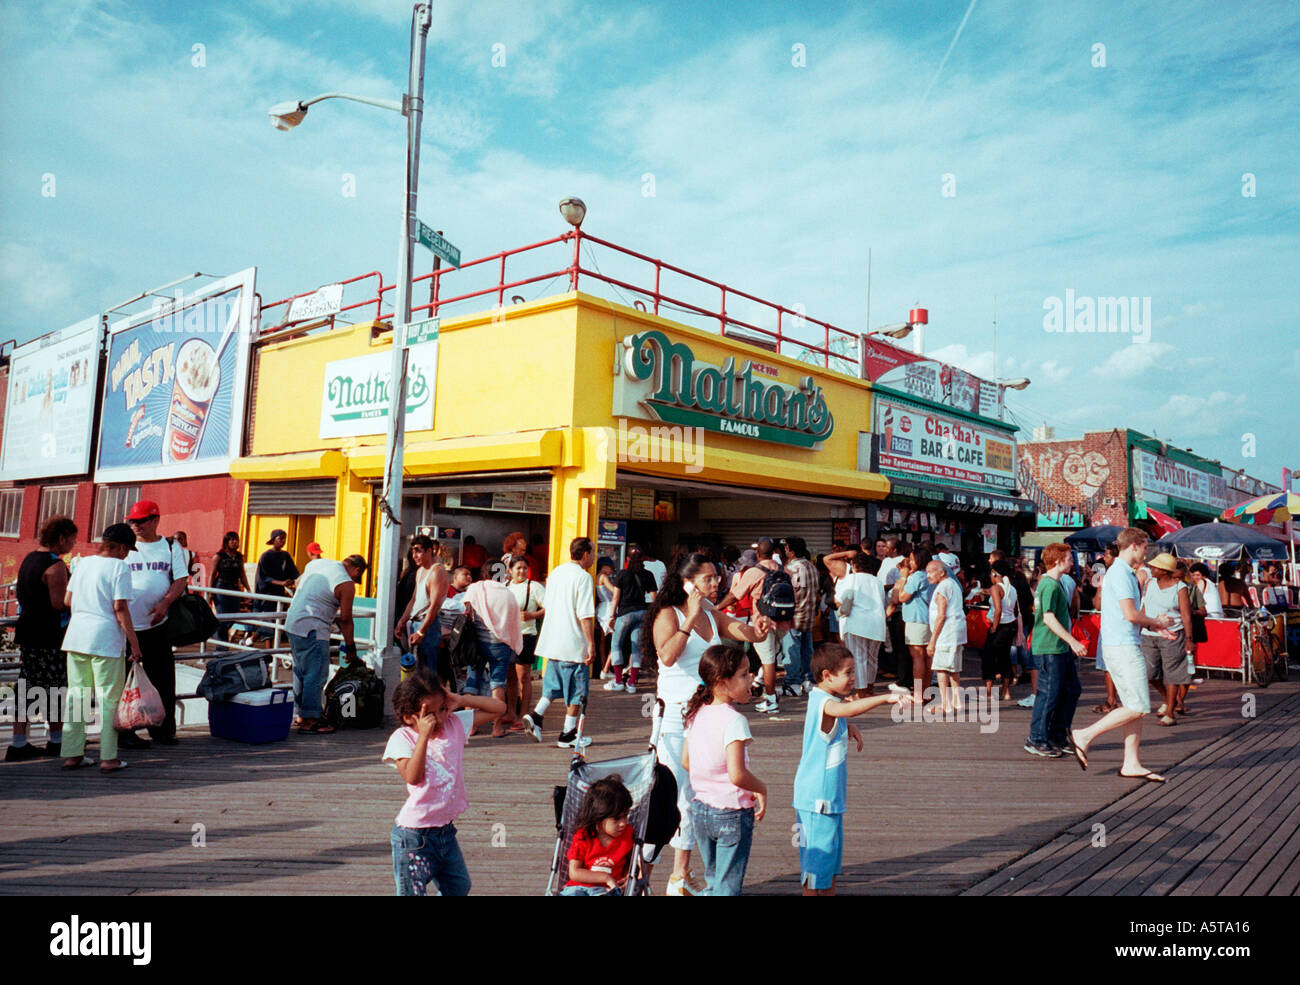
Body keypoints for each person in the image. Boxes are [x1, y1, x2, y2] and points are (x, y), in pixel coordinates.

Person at [642, 553, 777, 896]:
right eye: (708, 579)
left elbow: (737, 629)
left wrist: (757, 631)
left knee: (699, 793)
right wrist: (690, 614)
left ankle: (681, 873)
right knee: (673, 796)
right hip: (673, 716)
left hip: (705, 715)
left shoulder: (711, 613)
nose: (716, 584)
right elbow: (668, 655)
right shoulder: (668, 613)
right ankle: (652, 874)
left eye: (717, 578)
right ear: (688, 582)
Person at [794, 643, 913, 895]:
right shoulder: (825, 703)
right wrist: (886, 697)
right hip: (818, 801)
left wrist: (846, 727)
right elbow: (844, 709)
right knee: (815, 870)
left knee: (829, 867)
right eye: (847, 673)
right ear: (827, 676)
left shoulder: (823, 699)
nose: (853, 678)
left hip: (828, 800)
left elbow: (839, 714)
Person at [383, 670, 505, 895]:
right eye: (428, 714)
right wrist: (423, 736)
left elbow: (499, 708)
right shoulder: (402, 738)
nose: (439, 719)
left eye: (442, 709)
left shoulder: (454, 723)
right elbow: (412, 776)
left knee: (458, 887)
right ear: (409, 717)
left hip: (444, 832)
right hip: (413, 837)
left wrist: (461, 700)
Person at [1069, 528, 1176, 782]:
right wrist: (1156, 622)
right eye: (1145, 547)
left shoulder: (1119, 572)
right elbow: (1130, 614)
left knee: (1133, 705)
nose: (1146, 552)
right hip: (1123, 647)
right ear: (1135, 546)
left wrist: (1153, 627)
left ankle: (1131, 762)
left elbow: (1126, 616)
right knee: (1139, 707)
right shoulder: (1121, 573)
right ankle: (1083, 735)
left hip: (1121, 643)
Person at [682, 645, 767, 896]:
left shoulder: (696, 712)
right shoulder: (734, 720)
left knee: (715, 880)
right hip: (731, 814)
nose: (750, 678)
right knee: (727, 887)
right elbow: (737, 775)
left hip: (701, 809)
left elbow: (686, 761)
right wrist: (761, 788)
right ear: (722, 682)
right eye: (743, 674)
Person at [60, 523, 143, 773]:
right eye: (127, 550)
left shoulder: (82, 563)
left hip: (76, 638)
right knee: (109, 699)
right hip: (106, 640)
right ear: (119, 547)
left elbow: (67, 600)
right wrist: (134, 643)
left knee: (77, 696)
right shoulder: (120, 567)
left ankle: (73, 754)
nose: (127, 555)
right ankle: (109, 757)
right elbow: (120, 608)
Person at [121, 499, 190, 748]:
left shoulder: (171, 546)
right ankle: (125, 731)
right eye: (132, 521)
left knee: (162, 680)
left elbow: (181, 579)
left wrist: (164, 604)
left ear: (155, 520)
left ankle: (162, 729)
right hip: (126, 628)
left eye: (140, 521)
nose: (136, 526)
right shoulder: (124, 547)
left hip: (158, 626)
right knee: (124, 683)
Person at [7, 516, 76, 761]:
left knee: (26, 686)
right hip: (50, 635)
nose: (73, 544)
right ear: (61, 538)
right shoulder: (54, 565)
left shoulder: (29, 559)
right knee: (56, 687)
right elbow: (59, 603)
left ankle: (18, 742)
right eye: (71, 539)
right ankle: (56, 740)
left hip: (29, 632)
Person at [523, 537, 597, 749]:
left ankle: (536, 715)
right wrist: (590, 643)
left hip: (552, 642)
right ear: (585, 554)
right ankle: (568, 734)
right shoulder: (583, 578)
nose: (593, 557)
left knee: (552, 687)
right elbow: (584, 613)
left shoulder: (555, 573)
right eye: (592, 553)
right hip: (573, 644)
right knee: (577, 692)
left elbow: (549, 604)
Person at [284, 553, 368, 734]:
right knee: (316, 673)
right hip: (312, 627)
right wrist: (351, 648)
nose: (354, 579)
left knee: (300, 670)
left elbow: (299, 583)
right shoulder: (346, 583)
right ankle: (311, 720)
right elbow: (345, 619)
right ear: (357, 570)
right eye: (356, 577)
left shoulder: (319, 563)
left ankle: (301, 714)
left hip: (293, 622)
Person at [1024, 543, 1090, 758]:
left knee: (1070, 690)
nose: (1072, 563)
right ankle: (1038, 738)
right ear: (1058, 561)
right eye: (1069, 559)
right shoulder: (1049, 585)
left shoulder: (1055, 583)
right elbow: (1048, 617)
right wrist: (1073, 641)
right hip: (1050, 648)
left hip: (1058, 648)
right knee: (1049, 694)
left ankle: (1056, 735)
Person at [716, 536, 784, 713]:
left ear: (757, 553)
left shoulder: (755, 572)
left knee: (768, 661)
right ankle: (765, 690)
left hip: (762, 622)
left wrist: (716, 609)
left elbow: (734, 595)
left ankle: (770, 700)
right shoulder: (782, 569)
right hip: (782, 620)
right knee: (771, 658)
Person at [459, 575, 522, 737]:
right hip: (499, 645)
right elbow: (514, 620)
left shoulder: (475, 589)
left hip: (477, 644)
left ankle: (470, 727)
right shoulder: (507, 593)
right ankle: (497, 728)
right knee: (498, 684)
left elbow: (464, 609)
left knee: (471, 682)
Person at [1140, 553, 1194, 727]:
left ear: (1164, 571)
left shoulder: (1180, 587)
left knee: (1172, 674)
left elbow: (1186, 615)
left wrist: (1189, 639)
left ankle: (1170, 711)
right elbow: (1144, 607)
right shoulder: (1149, 584)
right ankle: (1166, 699)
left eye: (1155, 567)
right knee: (1149, 673)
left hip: (1173, 635)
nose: (1151, 569)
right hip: (1149, 635)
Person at [562, 777, 636, 896]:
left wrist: (628, 876)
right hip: (579, 887)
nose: (623, 823)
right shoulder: (583, 836)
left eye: (626, 815)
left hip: (607, 890)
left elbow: (629, 861)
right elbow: (574, 872)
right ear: (599, 818)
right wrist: (606, 878)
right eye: (616, 819)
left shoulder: (627, 834)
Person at [832, 552, 886, 697]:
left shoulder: (851, 579)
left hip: (857, 624)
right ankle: (869, 688)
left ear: (854, 565)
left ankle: (861, 693)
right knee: (872, 658)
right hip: (877, 624)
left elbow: (839, 600)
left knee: (858, 658)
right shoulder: (877, 581)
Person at [397, 535, 451, 678]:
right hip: (415, 623)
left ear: (429, 551)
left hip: (428, 625)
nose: (415, 555)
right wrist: (402, 622)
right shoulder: (420, 571)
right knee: (416, 671)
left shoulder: (436, 571)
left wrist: (421, 631)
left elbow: (434, 605)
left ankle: (431, 699)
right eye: (413, 551)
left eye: (418, 551)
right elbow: (413, 599)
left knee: (428, 673)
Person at [604, 547, 657, 693]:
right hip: (642, 613)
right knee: (637, 648)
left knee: (616, 645)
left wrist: (611, 616)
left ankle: (619, 681)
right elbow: (654, 598)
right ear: (642, 559)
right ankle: (632, 683)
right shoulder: (648, 575)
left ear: (627, 559)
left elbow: (616, 597)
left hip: (625, 614)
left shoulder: (622, 574)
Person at [504, 557, 545, 732]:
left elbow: (549, 607)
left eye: (524, 568)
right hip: (506, 637)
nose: (521, 571)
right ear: (510, 570)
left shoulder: (534, 587)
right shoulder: (505, 587)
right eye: (518, 568)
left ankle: (523, 715)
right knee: (510, 678)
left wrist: (532, 615)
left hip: (525, 635)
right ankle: (511, 713)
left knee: (523, 677)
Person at [925, 559, 967, 715]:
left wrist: (932, 641)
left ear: (941, 573)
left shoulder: (943, 587)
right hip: (956, 632)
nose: (928, 575)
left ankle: (946, 704)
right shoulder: (953, 585)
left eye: (931, 571)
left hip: (946, 633)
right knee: (954, 669)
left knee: (942, 669)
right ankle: (957, 702)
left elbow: (941, 615)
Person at [894, 546, 936, 702]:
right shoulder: (931, 575)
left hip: (916, 619)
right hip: (929, 619)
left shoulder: (916, 577)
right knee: (927, 657)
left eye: (912, 559)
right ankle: (925, 692)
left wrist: (904, 577)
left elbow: (903, 597)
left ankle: (918, 694)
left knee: (917, 656)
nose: (910, 562)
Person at [782, 536, 820, 695]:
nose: (785, 551)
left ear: (791, 550)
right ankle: (808, 679)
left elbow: (794, 591)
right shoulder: (811, 566)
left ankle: (793, 682)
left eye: (786, 548)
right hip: (809, 614)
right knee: (807, 649)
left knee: (792, 648)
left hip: (795, 614)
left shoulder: (794, 568)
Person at [982, 559, 1020, 703]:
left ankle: (989, 693)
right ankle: (1006, 691)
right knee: (1005, 658)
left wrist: (994, 627)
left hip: (1000, 626)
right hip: (1011, 626)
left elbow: (998, 610)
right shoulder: (1012, 589)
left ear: (994, 573)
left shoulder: (996, 588)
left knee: (989, 658)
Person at [255, 529, 299, 643]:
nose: (283, 541)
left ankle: (250, 640)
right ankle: (269, 655)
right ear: (273, 540)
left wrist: (296, 581)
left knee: (274, 621)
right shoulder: (265, 556)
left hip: (279, 593)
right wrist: (281, 583)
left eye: (285, 539)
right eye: (281, 539)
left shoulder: (285, 555)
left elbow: (293, 571)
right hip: (267, 593)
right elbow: (263, 577)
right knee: (268, 622)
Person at [211, 531, 250, 644]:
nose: (234, 542)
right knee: (223, 615)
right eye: (231, 540)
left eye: (236, 539)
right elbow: (213, 574)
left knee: (233, 615)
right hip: (221, 587)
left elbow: (242, 574)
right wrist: (210, 591)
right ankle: (222, 646)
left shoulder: (239, 556)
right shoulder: (219, 556)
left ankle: (217, 631)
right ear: (226, 542)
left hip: (234, 588)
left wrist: (248, 589)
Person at [595, 557, 617, 678]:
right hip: (609, 608)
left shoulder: (596, 577)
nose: (611, 571)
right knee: (615, 641)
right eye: (610, 568)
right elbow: (614, 591)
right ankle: (606, 669)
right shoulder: (604, 577)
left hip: (601, 609)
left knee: (602, 642)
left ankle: (604, 668)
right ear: (604, 566)